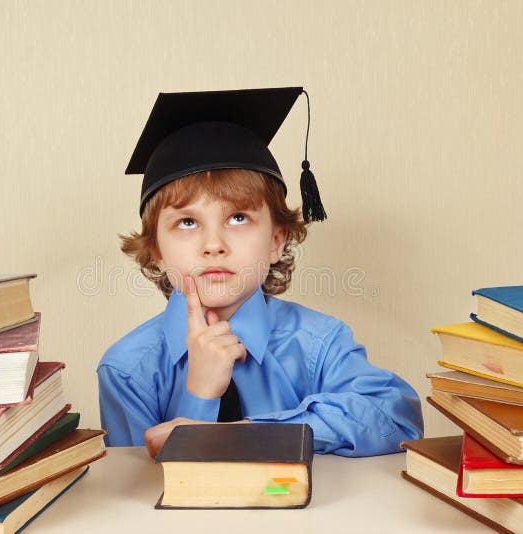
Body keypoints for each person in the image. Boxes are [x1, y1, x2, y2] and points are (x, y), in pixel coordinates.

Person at [97, 87, 423, 458]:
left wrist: (248, 435)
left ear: (276, 241)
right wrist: (199, 395)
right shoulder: (126, 371)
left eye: (238, 218)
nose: (213, 244)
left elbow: (398, 417)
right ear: (156, 251)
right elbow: (135, 498)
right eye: (187, 222)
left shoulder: (318, 344)